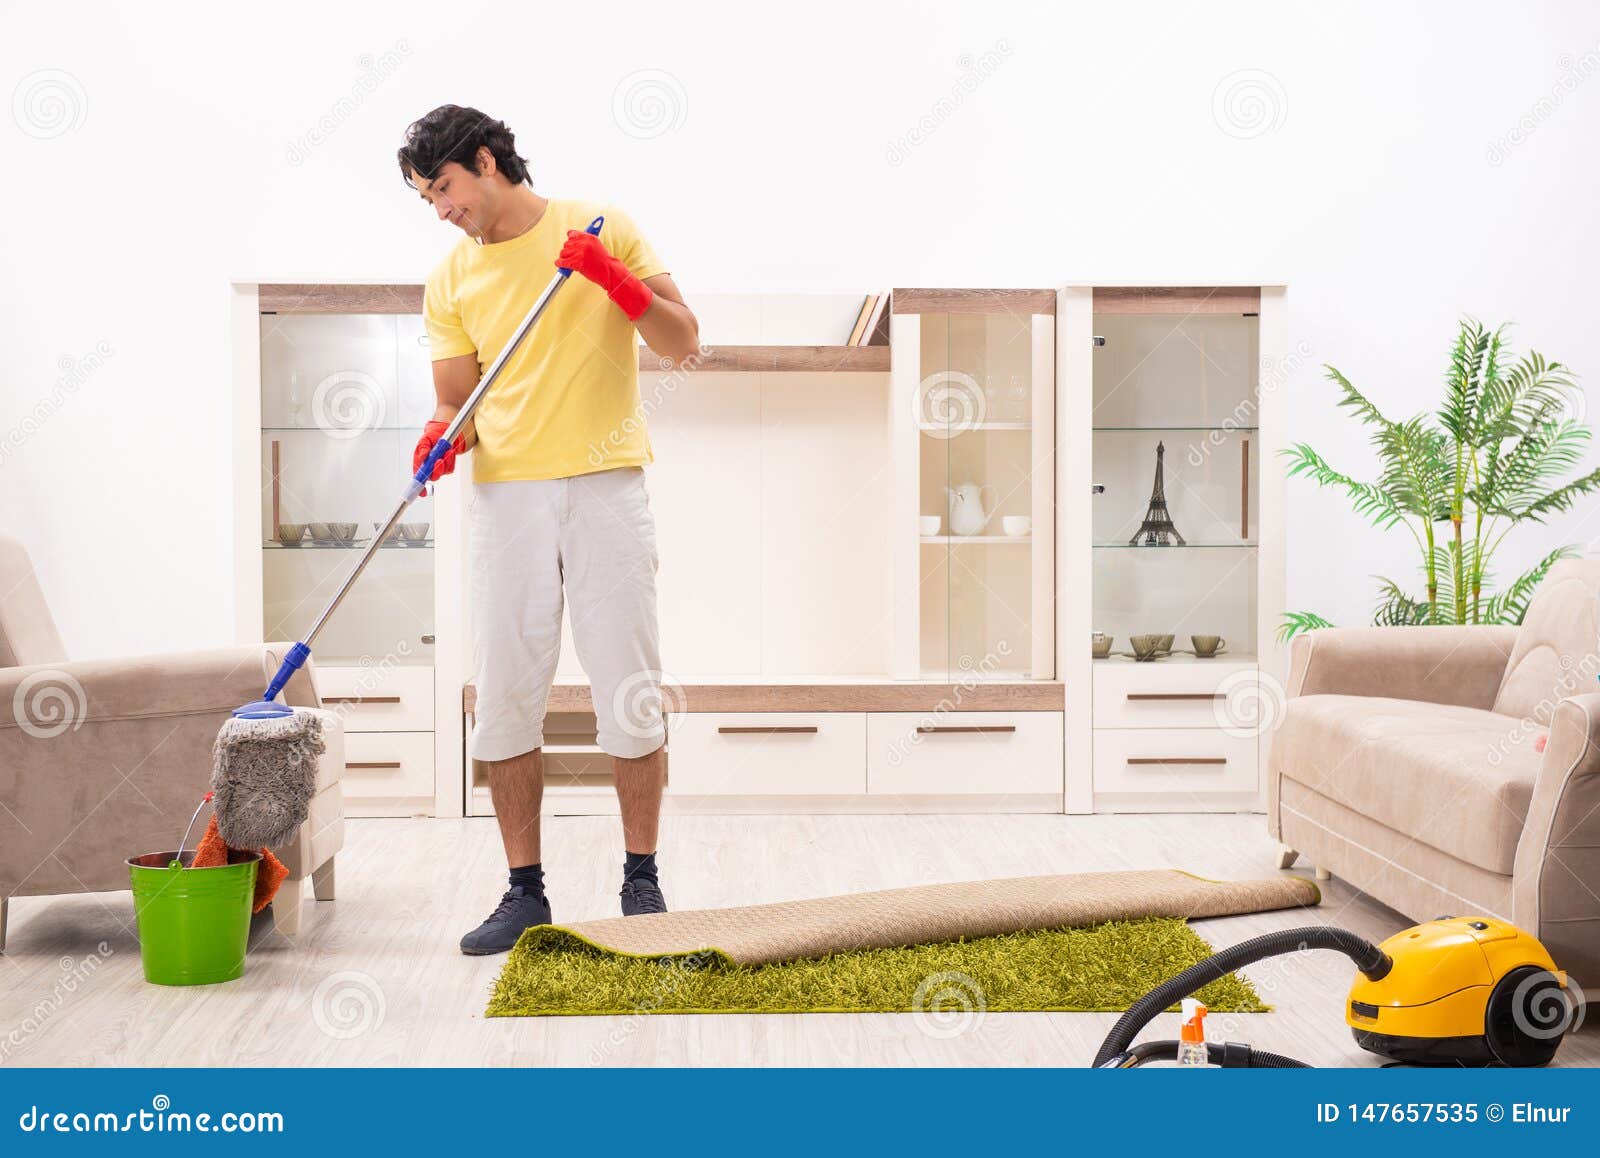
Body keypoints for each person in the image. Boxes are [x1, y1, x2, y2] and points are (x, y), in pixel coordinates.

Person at [396, 105, 700, 954]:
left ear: (485, 162)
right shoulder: (451, 278)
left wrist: (613, 277)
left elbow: (681, 341)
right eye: (426, 199)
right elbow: (455, 397)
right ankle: (524, 892)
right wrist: (440, 432)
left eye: (443, 188)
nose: (441, 209)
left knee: (629, 688)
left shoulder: (599, 227)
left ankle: (641, 881)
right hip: (507, 502)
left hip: (606, 485)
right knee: (504, 698)